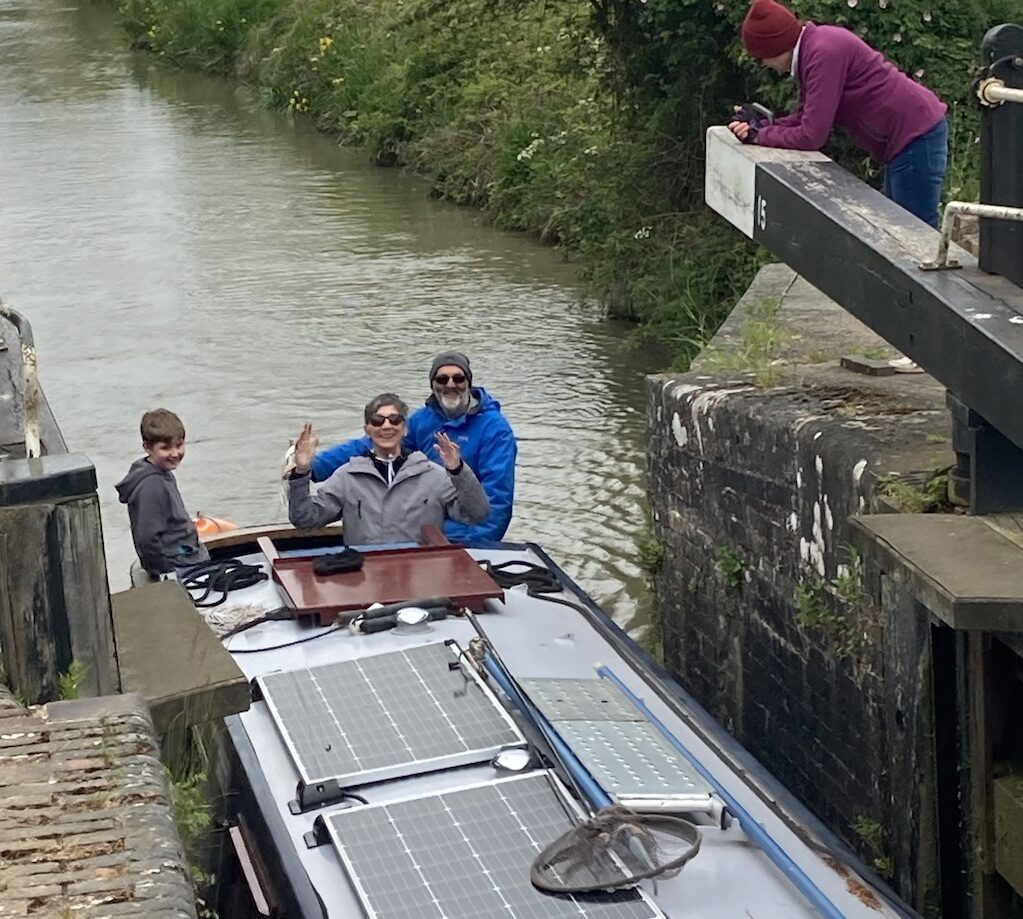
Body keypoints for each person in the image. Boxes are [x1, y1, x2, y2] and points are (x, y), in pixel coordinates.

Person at [729, 0, 948, 228]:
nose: (764, 64)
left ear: (775, 46)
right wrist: (760, 125)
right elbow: (804, 117)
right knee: (900, 227)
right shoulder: (814, 48)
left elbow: (812, 135)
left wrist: (759, 136)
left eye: (762, 56)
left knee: (914, 233)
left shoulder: (823, 53)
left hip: (916, 134)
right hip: (908, 136)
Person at [311, 351, 516, 542]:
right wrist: (312, 467)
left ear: (469, 383)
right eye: (442, 379)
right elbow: (372, 444)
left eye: (458, 378)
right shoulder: (423, 420)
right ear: (433, 384)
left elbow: (497, 504)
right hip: (421, 535)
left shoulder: (496, 430)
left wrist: (459, 542)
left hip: (463, 538)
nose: (450, 384)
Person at [288, 393, 490, 544]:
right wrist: (302, 472)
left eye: (395, 420)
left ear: (405, 429)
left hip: (422, 573)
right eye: (378, 421)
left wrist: (458, 470)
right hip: (365, 574)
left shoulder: (434, 475)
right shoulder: (346, 476)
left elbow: (477, 514)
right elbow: (305, 521)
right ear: (367, 430)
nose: (387, 426)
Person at [115, 408, 211, 581]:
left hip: (185, 553)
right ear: (147, 447)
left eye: (179, 445)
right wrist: (165, 572)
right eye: (165, 448)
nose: (175, 453)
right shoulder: (152, 485)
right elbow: (147, 537)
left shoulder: (158, 471)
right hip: (178, 564)